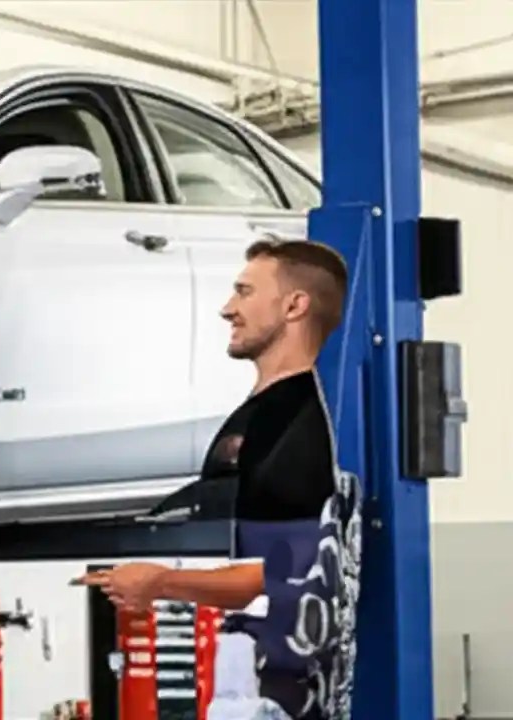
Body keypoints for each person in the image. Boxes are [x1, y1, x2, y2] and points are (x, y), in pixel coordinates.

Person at [83, 237, 361, 719]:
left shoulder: (293, 429)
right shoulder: (267, 413)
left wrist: (161, 582)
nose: (227, 309)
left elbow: (278, 572)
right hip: (255, 685)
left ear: (295, 306)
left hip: (276, 697)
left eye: (245, 292)